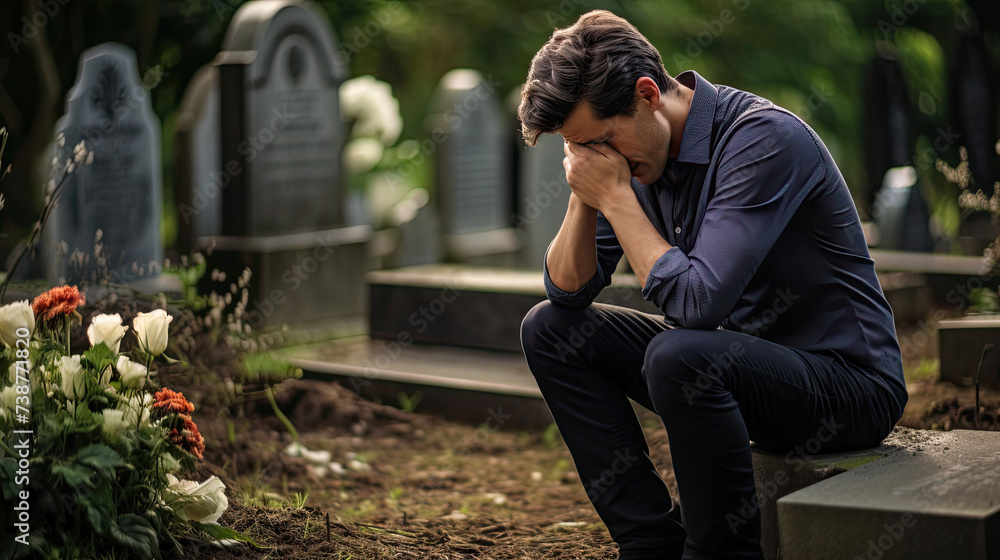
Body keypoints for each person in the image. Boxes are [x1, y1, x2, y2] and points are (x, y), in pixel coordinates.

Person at [517, 10, 907, 560]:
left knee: (681, 354)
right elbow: (568, 292)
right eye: (582, 149)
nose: (599, 159)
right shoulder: (634, 159)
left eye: (601, 141)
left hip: (849, 387)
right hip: (747, 375)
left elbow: (697, 305)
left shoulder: (762, 139)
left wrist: (618, 198)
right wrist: (588, 190)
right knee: (550, 329)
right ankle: (650, 544)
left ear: (648, 94)